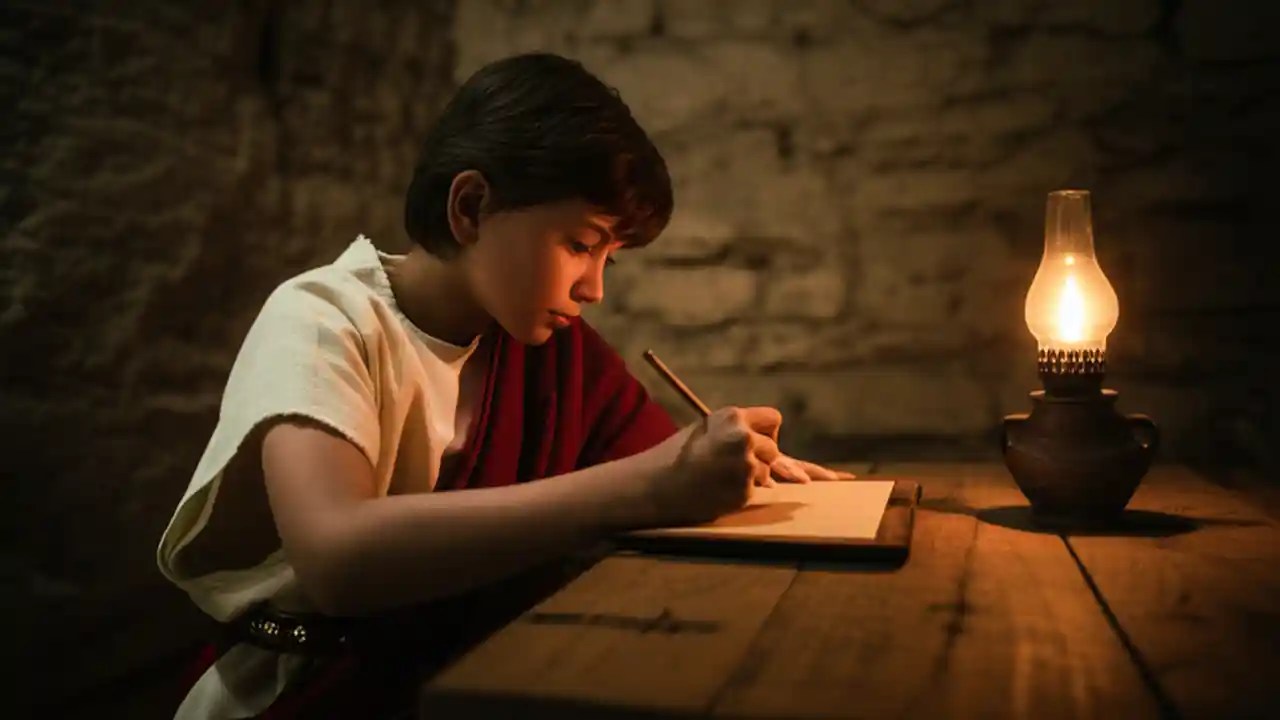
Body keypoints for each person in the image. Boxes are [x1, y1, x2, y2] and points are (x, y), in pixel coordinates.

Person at [156, 52, 855, 719]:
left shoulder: (552, 351)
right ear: (471, 207)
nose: (596, 287)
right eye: (581, 244)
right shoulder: (323, 321)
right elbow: (337, 557)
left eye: (610, 255)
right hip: (308, 692)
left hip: (467, 677)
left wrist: (736, 473)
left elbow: (668, 468)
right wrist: (648, 486)